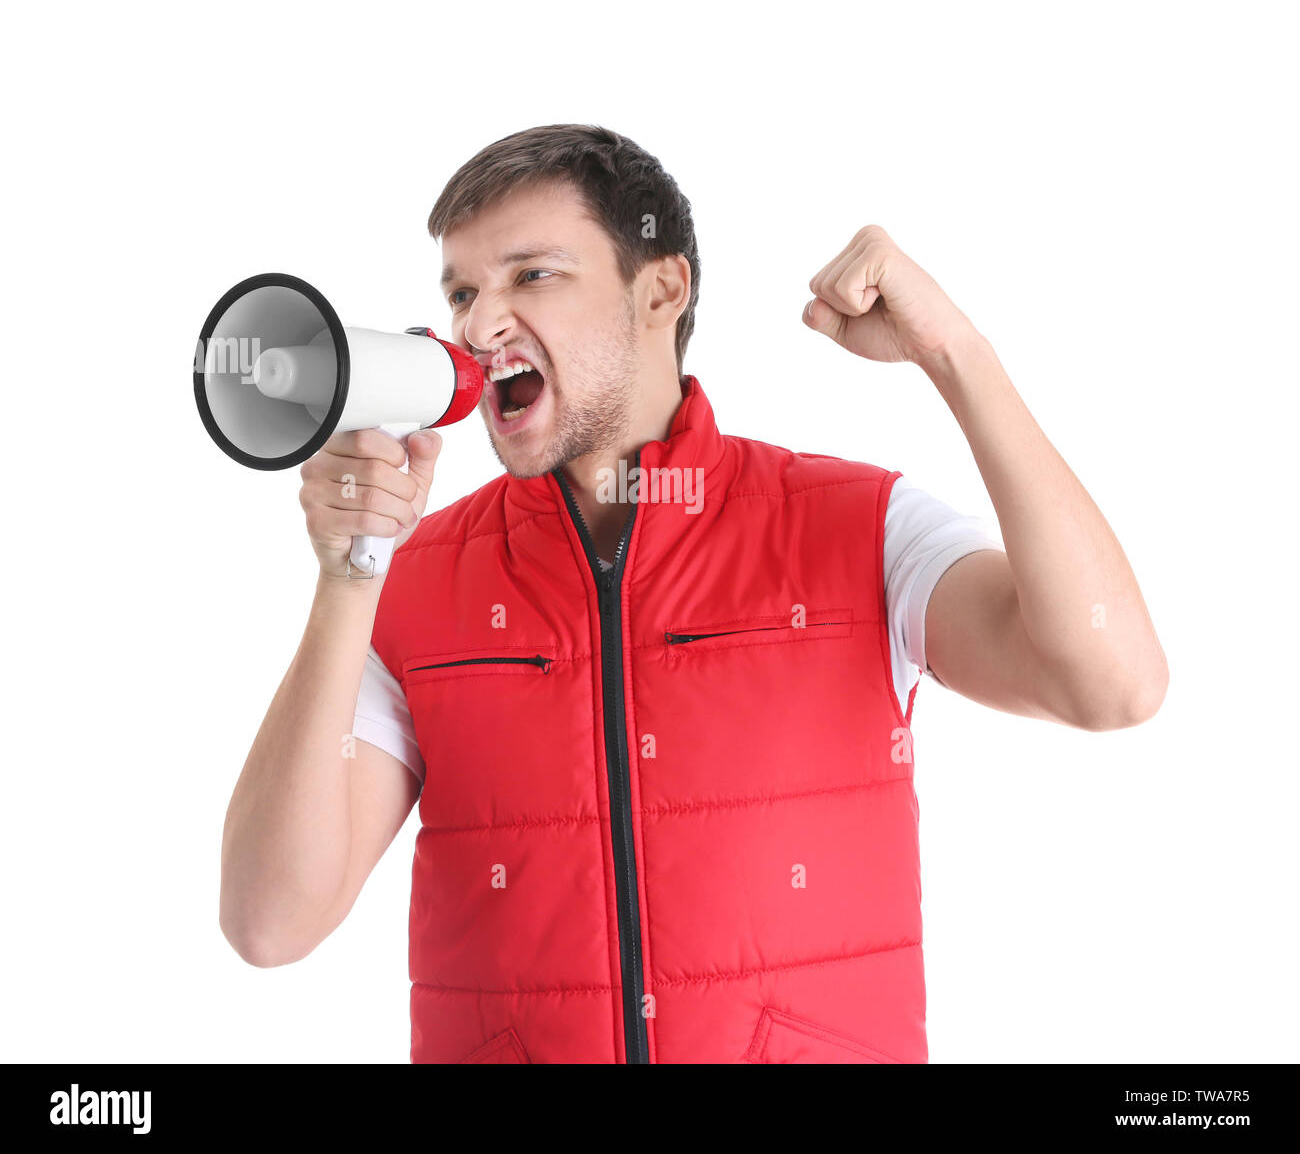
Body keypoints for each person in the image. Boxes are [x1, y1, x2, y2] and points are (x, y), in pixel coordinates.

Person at [218, 124, 1167, 1064]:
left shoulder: (860, 527)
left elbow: (1113, 681)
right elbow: (269, 921)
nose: (476, 325)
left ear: (661, 290)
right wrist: (349, 574)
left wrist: (955, 352)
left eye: (531, 275)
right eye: (462, 292)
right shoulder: (417, 581)